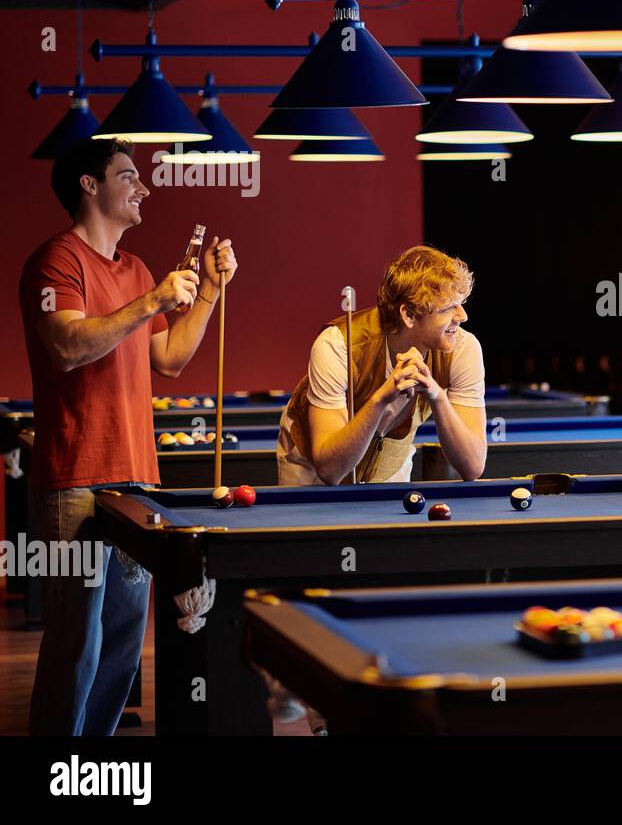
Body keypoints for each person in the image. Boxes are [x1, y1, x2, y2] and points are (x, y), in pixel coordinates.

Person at [20, 137, 237, 734]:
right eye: (128, 176)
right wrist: (150, 303)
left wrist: (209, 292)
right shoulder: (55, 261)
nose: (143, 187)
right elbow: (67, 347)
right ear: (90, 186)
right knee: (75, 647)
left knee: (121, 645)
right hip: (73, 479)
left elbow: (167, 357)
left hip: (138, 478)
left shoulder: (136, 268)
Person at [276, 244, 487, 487]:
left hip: (389, 464)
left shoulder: (463, 349)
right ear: (408, 315)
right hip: (311, 465)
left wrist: (438, 396)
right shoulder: (337, 345)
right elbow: (330, 471)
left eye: (461, 304)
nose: (462, 316)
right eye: (448, 307)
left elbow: (473, 467)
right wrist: (379, 401)